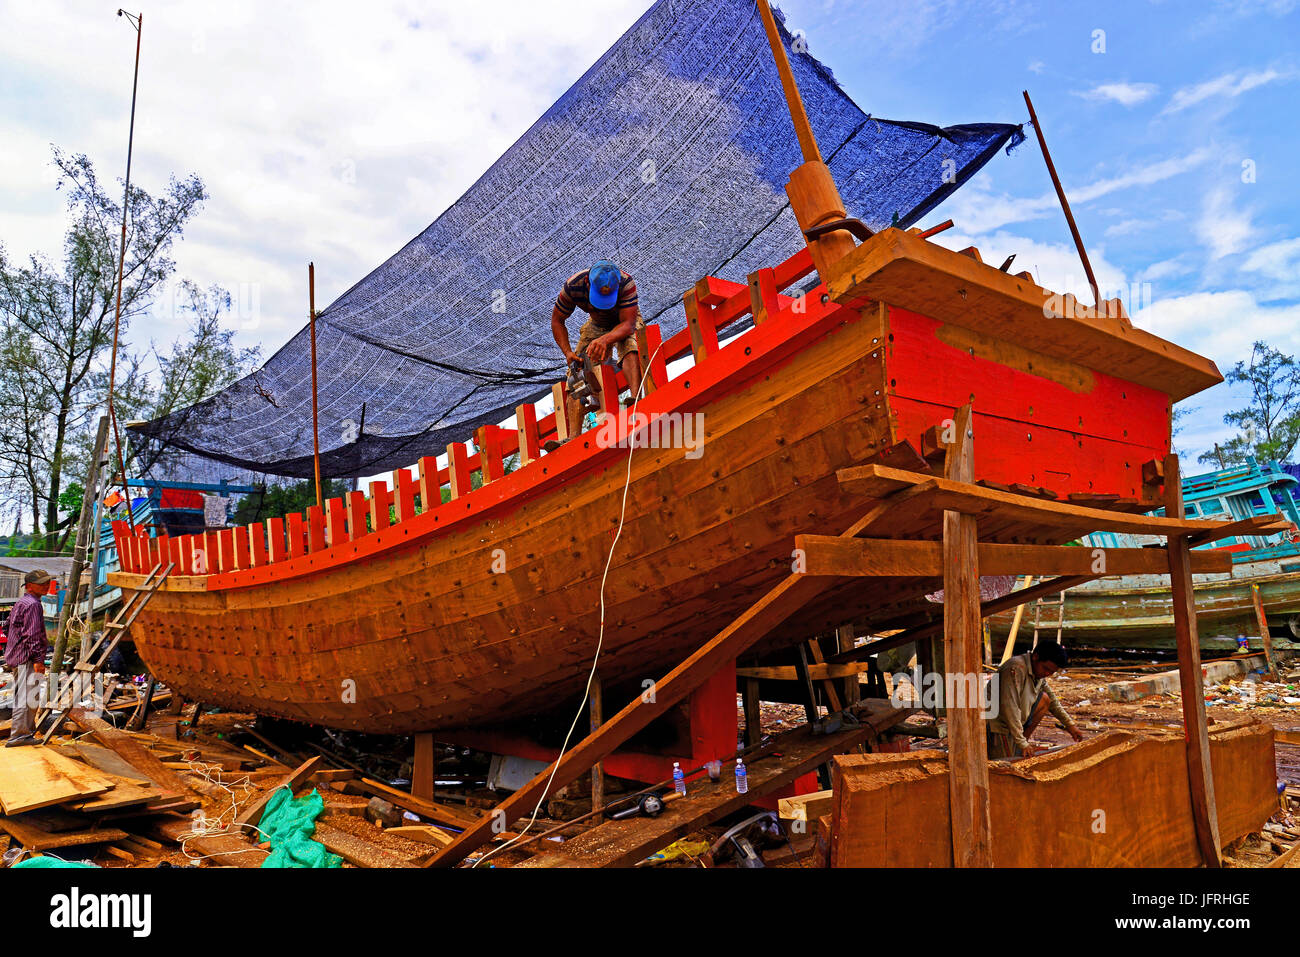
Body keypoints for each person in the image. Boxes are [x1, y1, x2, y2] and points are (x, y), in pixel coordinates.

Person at [550, 260, 645, 439]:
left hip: (623, 321)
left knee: (630, 343)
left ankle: (636, 399)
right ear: (588, 283)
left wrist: (606, 340)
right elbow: (557, 320)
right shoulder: (573, 286)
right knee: (576, 367)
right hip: (596, 324)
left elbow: (629, 324)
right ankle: (573, 436)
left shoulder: (626, 284)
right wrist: (568, 352)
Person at [986, 640, 1083, 759]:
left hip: (1015, 722)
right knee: (1004, 765)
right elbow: (1009, 707)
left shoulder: (1038, 672)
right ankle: (1018, 745)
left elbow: (1052, 701)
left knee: (1045, 699)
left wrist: (1070, 725)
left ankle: (1019, 745)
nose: (1047, 673)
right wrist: (1022, 743)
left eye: (1051, 672)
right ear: (1036, 657)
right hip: (998, 725)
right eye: (1046, 669)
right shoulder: (1016, 668)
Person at [4, 569, 51, 747]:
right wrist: (38, 660)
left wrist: (15, 647)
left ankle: (25, 733)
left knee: (27, 696)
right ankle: (19, 736)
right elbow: (32, 635)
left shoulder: (21, 602)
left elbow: (8, 627)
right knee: (27, 697)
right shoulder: (33, 605)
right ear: (30, 586)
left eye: (47, 583)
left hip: (18, 657)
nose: (46, 586)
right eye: (42, 583)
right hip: (27, 659)